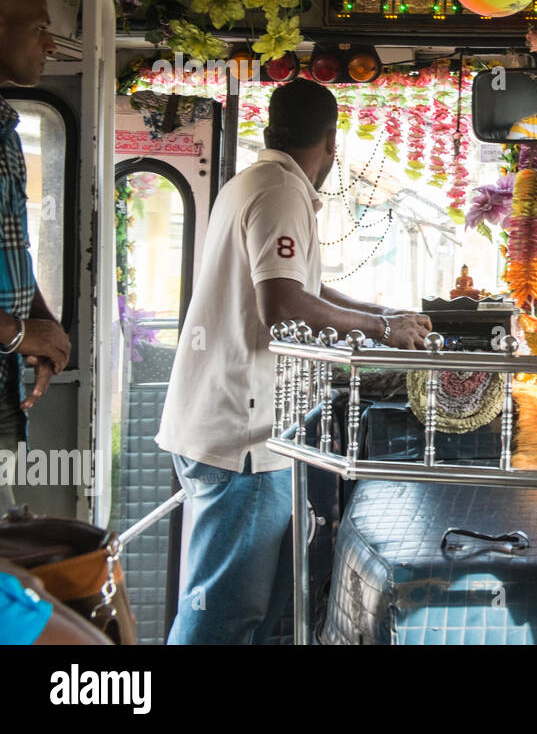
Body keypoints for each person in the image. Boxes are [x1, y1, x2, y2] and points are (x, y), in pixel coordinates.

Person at [156, 78, 432, 643]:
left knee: (261, 607)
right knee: (224, 616)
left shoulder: (254, 183)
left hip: (248, 432)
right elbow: (282, 303)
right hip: (243, 438)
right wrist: (381, 329)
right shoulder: (280, 190)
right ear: (331, 142)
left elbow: (309, 286)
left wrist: (387, 314)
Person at [0, 0, 72, 511]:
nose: (50, 44)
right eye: (40, 28)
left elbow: (10, 246)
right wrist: (17, 334)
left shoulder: (6, 127)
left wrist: (41, 322)